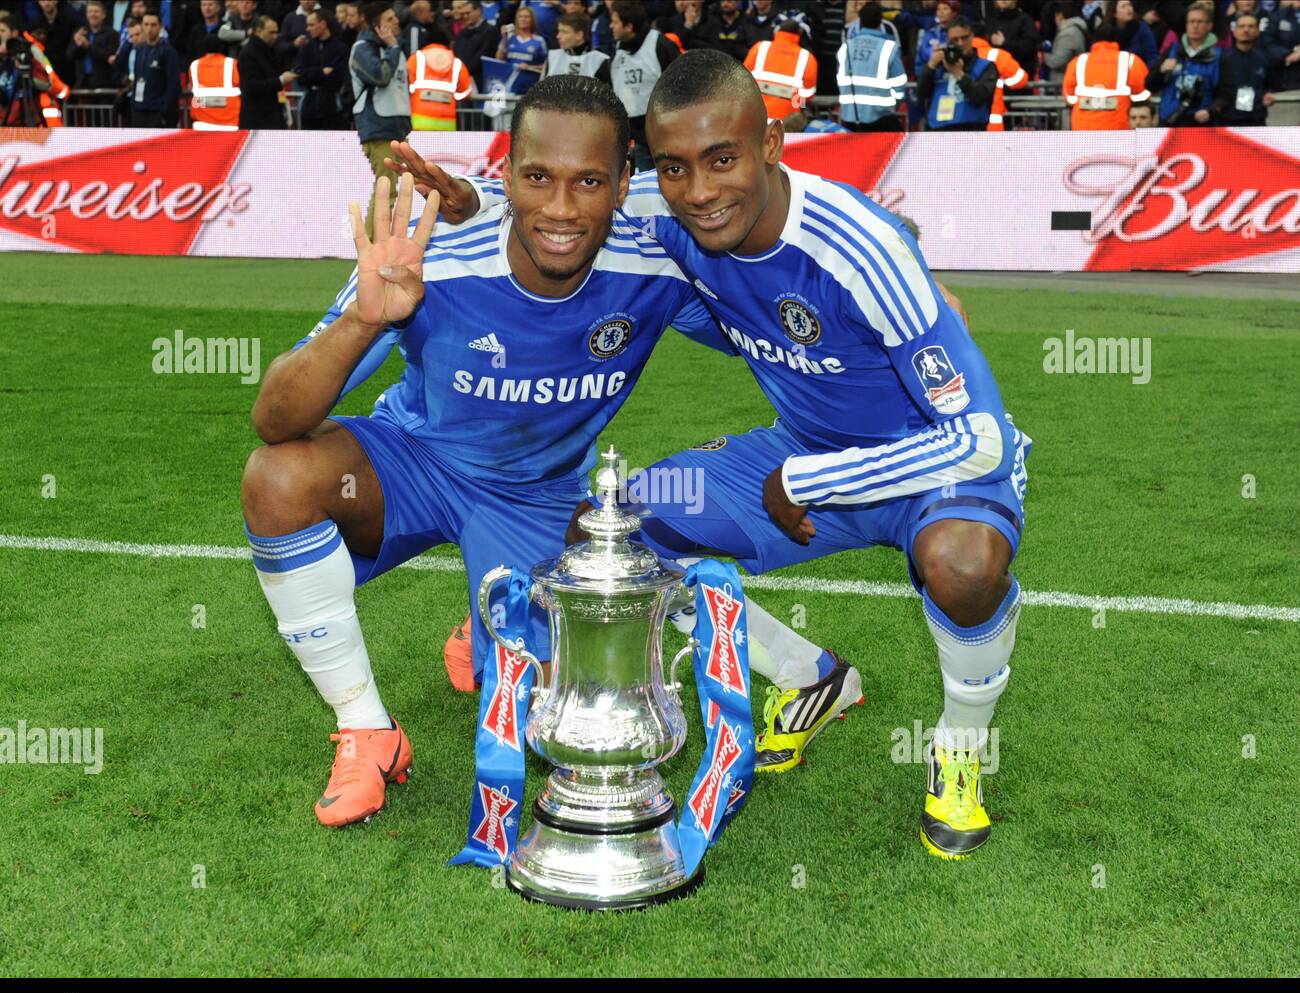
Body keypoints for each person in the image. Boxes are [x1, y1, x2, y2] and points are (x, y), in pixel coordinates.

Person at [415, 49, 1029, 859]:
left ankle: (959, 750)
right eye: (675, 167)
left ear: (772, 143)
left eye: (723, 159)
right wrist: (472, 204)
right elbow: (563, 197)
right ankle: (811, 673)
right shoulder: (667, 211)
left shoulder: (859, 245)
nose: (700, 191)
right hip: (799, 451)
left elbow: (975, 436)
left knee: (964, 563)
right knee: (611, 525)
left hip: (933, 470)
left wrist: (811, 477)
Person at [240, 77, 741, 828]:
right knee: (279, 477)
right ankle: (366, 726)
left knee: (556, 714)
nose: (561, 209)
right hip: (414, 462)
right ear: (502, 176)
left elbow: (768, 309)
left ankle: (490, 612)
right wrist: (366, 321)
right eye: (537, 177)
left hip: (538, 497)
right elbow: (274, 415)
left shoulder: (656, 260)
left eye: (589, 182)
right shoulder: (433, 249)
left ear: (623, 186)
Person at [351, 2, 411, 238]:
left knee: (389, 189)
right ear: (377, 26)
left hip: (394, 127)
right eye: (389, 19)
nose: (396, 22)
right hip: (378, 127)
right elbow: (380, 76)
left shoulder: (392, 47)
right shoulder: (362, 49)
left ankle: (379, 245)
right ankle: (372, 250)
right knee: (385, 188)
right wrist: (393, 48)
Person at [609, 1, 678, 172]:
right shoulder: (617, 48)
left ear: (629, 26)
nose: (611, 26)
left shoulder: (660, 45)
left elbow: (680, 85)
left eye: (615, 22)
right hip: (638, 133)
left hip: (664, 131)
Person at [1063, 21, 1150, 129]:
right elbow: (1143, 94)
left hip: (1082, 127)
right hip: (1118, 127)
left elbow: (1069, 96)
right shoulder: (1130, 60)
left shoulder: (1078, 61)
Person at [917, 15, 997, 130]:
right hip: (937, 132)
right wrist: (930, 66)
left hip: (971, 131)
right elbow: (921, 93)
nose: (960, 43)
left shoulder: (985, 66)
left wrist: (959, 74)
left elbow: (980, 96)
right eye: (954, 40)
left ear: (972, 36)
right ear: (947, 41)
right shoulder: (940, 65)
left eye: (964, 38)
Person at [836, 1, 906, 132]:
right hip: (882, 118)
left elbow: (840, 79)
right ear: (881, 22)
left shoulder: (845, 47)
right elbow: (900, 82)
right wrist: (893, 106)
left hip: (851, 117)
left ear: (860, 21)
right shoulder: (889, 48)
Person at [1146, 0, 1219, 126]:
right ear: (1185, 25)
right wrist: (1161, 71)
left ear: (1209, 25)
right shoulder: (1173, 51)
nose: (1195, 26)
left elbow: (1226, 94)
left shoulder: (1219, 56)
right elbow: (1149, 85)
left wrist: (1210, 111)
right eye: (1191, 21)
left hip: (1201, 125)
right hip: (1169, 122)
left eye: (1200, 22)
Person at [1212, 10, 1281, 125]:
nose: (1246, 30)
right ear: (1234, 31)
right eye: (1242, 26)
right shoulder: (1222, 59)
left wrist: (1268, 96)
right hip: (1228, 120)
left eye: (1251, 26)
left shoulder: (1264, 59)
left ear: (1258, 31)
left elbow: (1270, 86)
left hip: (1256, 120)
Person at [743, 18, 817, 122]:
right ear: (799, 33)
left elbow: (743, 78)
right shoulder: (807, 57)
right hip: (787, 121)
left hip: (755, 116)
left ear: (777, 31)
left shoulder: (759, 48)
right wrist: (795, 106)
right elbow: (807, 94)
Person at [407, 21, 470, 130]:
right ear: (450, 44)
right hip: (447, 123)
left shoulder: (416, 58)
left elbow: (406, 85)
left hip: (419, 121)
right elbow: (465, 93)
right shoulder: (456, 63)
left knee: (417, 148)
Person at [295, 7, 349, 129]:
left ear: (323, 24)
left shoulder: (339, 48)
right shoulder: (306, 48)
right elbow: (299, 76)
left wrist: (310, 75)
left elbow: (337, 79)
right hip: (309, 111)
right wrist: (321, 72)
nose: (307, 29)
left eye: (311, 25)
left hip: (333, 110)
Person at [238, 13, 292, 128]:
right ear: (258, 31)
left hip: (272, 117)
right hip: (257, 121)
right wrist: (281, 80)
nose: (275, 36)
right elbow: (251, 87)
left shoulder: (270, 51)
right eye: (271, 32)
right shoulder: (248, 54)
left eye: (277, 32)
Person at [128, 9, 180, 127]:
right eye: (146, 24)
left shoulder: (168, 52)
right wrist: (134, 106)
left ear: (160, 27)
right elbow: (137, 79)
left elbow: (174, 85)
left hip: (158, 112)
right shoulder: (139, 49)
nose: (149, 29)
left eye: (153, 25)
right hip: (139, 111)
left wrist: (164, 110)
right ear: (142, 26)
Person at [189, 34, 241, 129]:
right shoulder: (232, 64)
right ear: (221, 47)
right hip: (230, 124)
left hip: (201, 124)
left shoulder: (194, 65)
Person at [542, 11, 610, 81]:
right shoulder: (552, 57)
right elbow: (540, 89)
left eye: (564, 32)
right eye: (559, 31)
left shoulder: (599, 60)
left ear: (579, 35)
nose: (558, 36)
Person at [68, 1, 119, 90]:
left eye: (96, 11)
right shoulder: (81, 32)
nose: (92, 14)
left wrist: (88, 46)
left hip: (104, 83)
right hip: (82, 82)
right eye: (90, 12)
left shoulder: (112, 34)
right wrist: (77, 44)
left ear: (103, 15)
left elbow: (109, 57)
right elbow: (69, 56)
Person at [985, 0, 1041, 78]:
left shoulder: (1025, 20)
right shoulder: (991, 20)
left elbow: (1030, 47)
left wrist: (1005, 43)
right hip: (994, 76)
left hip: (1019, 77)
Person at [1044, 1, 1091, 86]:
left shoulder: (1068, 34)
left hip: (1063, 84)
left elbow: (1057, 61)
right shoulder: (1076, 29)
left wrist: (1043, 56)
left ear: (1060, 16)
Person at [450, 0, 496, 85]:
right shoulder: (462, 33)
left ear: (478, 11)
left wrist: (464, 71)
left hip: (479, 81)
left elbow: (483, 56)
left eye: (468, 13)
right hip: (460, 79)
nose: (465, 16)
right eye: (463, 14)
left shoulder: (490, 31)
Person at [497, 3, 547, 73]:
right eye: (520, 17)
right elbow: (498, 59)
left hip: (531, 80)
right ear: (516, 20)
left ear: (532, 20)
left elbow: (546, 65)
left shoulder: (539, 40)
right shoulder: (509, 37)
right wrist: (504, 39)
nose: (523, 19)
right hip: (509, 80)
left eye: (527, 17)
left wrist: (529, 67)